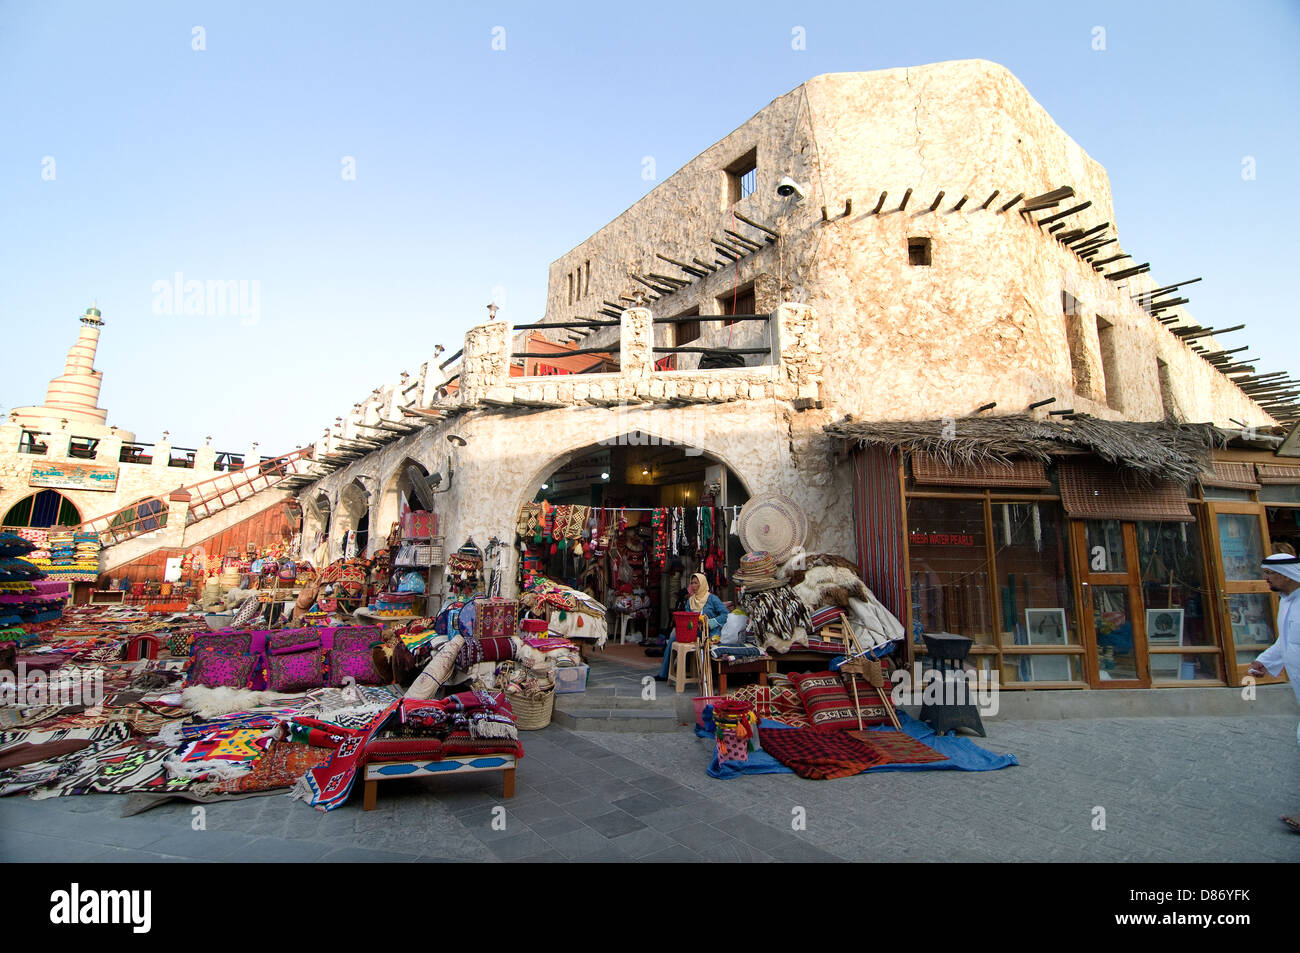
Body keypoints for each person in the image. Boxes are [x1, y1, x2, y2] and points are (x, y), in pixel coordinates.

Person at [1245, 552, 1300, 834]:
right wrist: (1263, 662)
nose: (1265, 578)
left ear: (1288, 574)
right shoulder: (1287, 603)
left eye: (1270, 574)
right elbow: (1286, 642)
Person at [657, 573, 728, 681]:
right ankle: (663, 674)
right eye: (692, 583)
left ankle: (707, 675)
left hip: (710, 633)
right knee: (672, 640)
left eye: (696, 583)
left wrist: (710, 622)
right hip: (694, 632)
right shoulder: (690, 601)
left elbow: (725, 614)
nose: (693, 586)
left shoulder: (712, 598)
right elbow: (688, 617)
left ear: (702, 584)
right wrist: (690, 624)